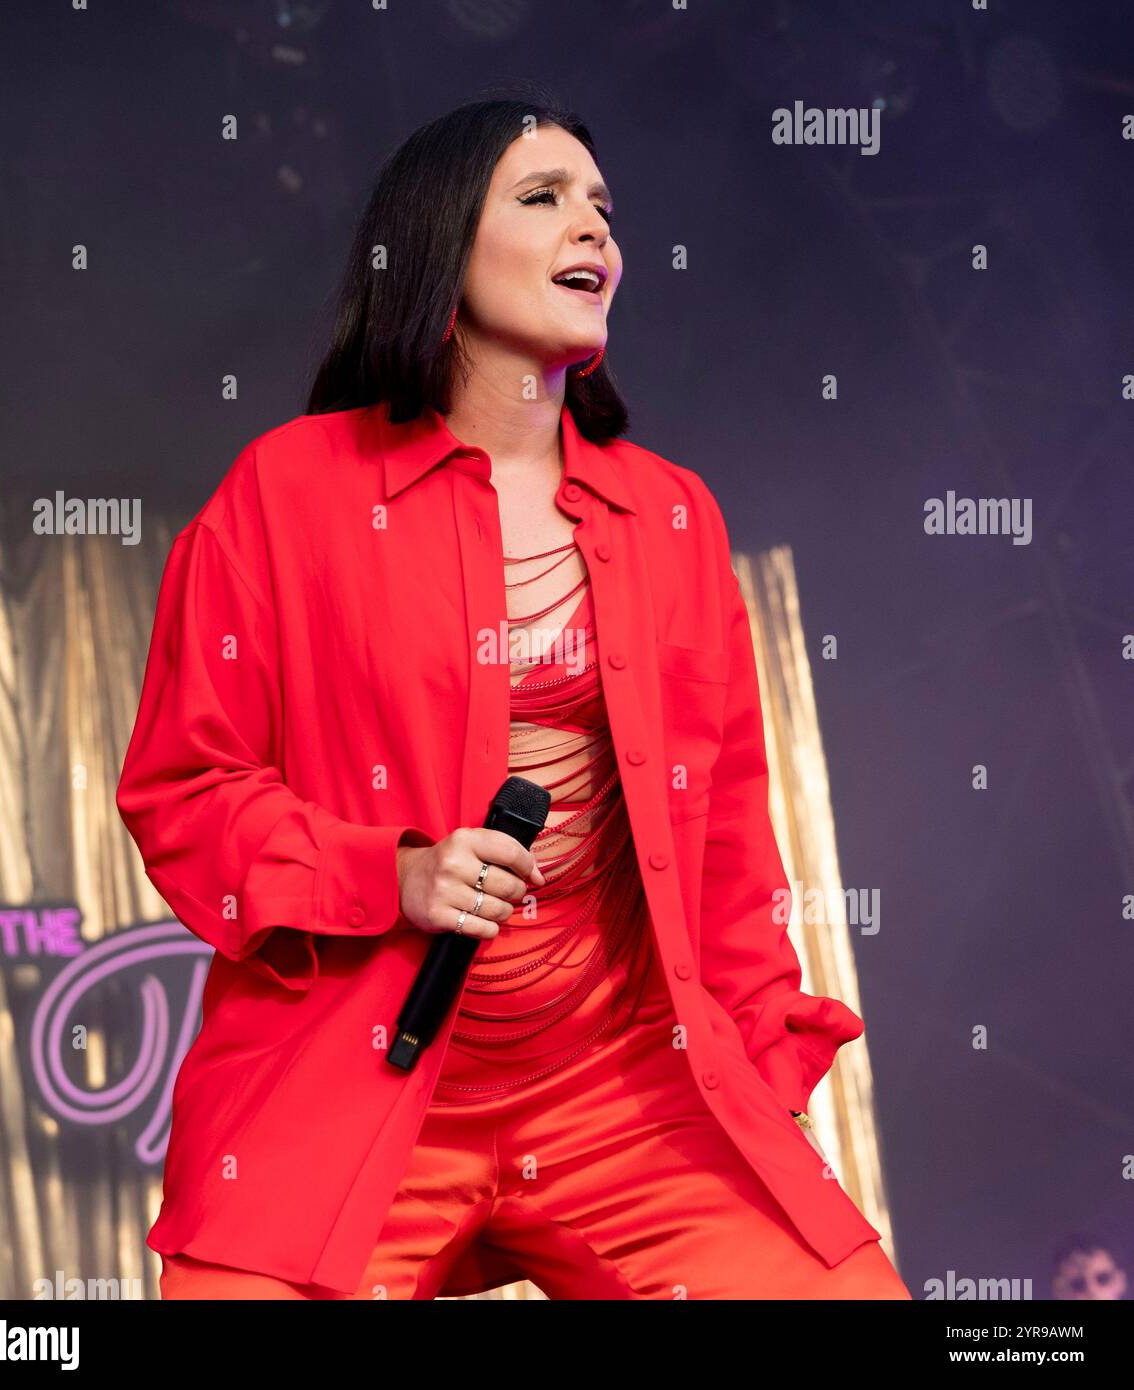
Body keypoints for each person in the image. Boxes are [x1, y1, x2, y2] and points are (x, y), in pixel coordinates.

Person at [118, 94, 911, 1300]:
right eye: (543, 198)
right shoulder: (289, 493)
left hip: (627, 1093)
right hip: (358, 1086)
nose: (591, 225)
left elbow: (732, 853)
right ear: (439, 243)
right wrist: (388, 872)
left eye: (603, 205)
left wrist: (752, 1082)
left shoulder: (672, 515)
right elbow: (186, 789)